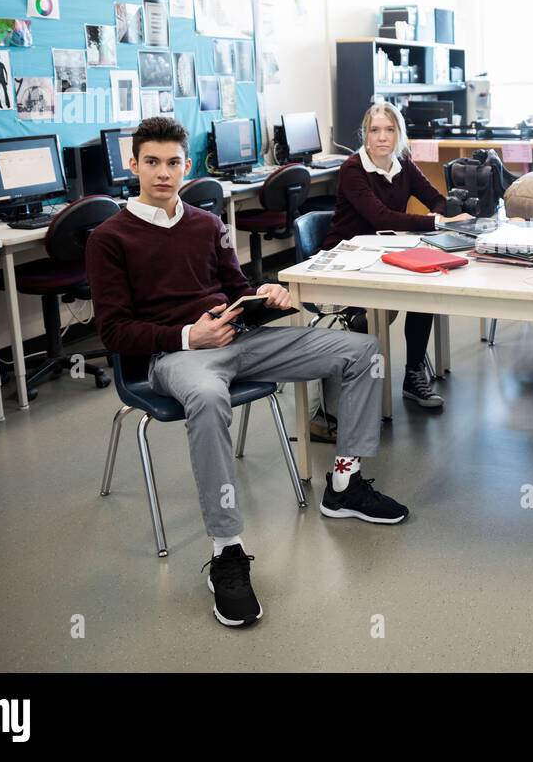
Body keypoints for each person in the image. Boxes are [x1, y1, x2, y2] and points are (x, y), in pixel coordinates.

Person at [87, 116, 409, 629]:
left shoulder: (205, 223)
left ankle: (344, 486)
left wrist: (264, 295)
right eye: (152, 162)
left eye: (173, 163)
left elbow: (235, 285)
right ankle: (227, 551)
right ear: (133, 165)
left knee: (363, 350)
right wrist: (190, 336)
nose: (163, 173)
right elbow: (114, 333)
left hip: (242, 337)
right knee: (209, 400)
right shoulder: (110, 237)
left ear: (186, 165)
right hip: (178, 356)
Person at [322, 102, 471, 409]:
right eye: (374, 130)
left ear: (399, 134)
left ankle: (413, 374)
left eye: (389, 130)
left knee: (423, 289)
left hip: (387, 253)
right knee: (373, 315)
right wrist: (435, 222)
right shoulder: (353, 168)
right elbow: (382, 218)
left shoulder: (402, 161)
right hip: (349, 257)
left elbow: (436, 199)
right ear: (365, 134)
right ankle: (359, 379)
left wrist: (438, 213)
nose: (382, 137)